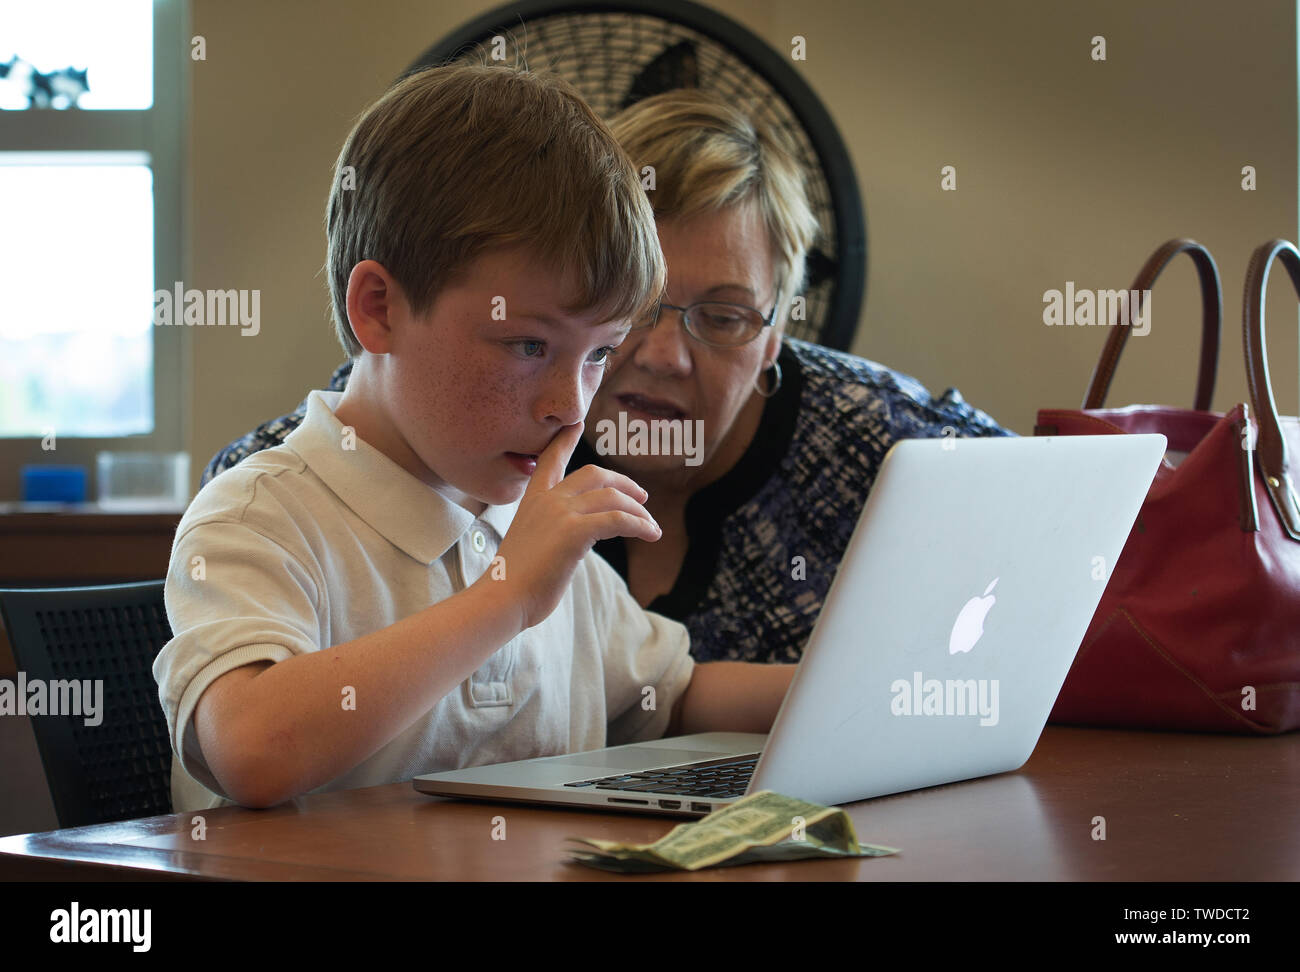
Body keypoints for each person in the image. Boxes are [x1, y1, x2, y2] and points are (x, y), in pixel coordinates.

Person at [155, 65, 795, 814]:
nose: (571, 406)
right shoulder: (261, 519)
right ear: (379, 310)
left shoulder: (533, 526)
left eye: (597, 354)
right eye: (527, 345)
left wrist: (879, 694)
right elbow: (253, 749)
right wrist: (506, 595)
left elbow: (673, 696)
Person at [201, 88, 1013, 669]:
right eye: (641, 316)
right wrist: (504, 597)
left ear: (777, 341)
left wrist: (901, 691)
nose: (662, 356)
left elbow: (677, 693)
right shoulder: (332, 493)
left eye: (725, 317)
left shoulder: (876, 435)